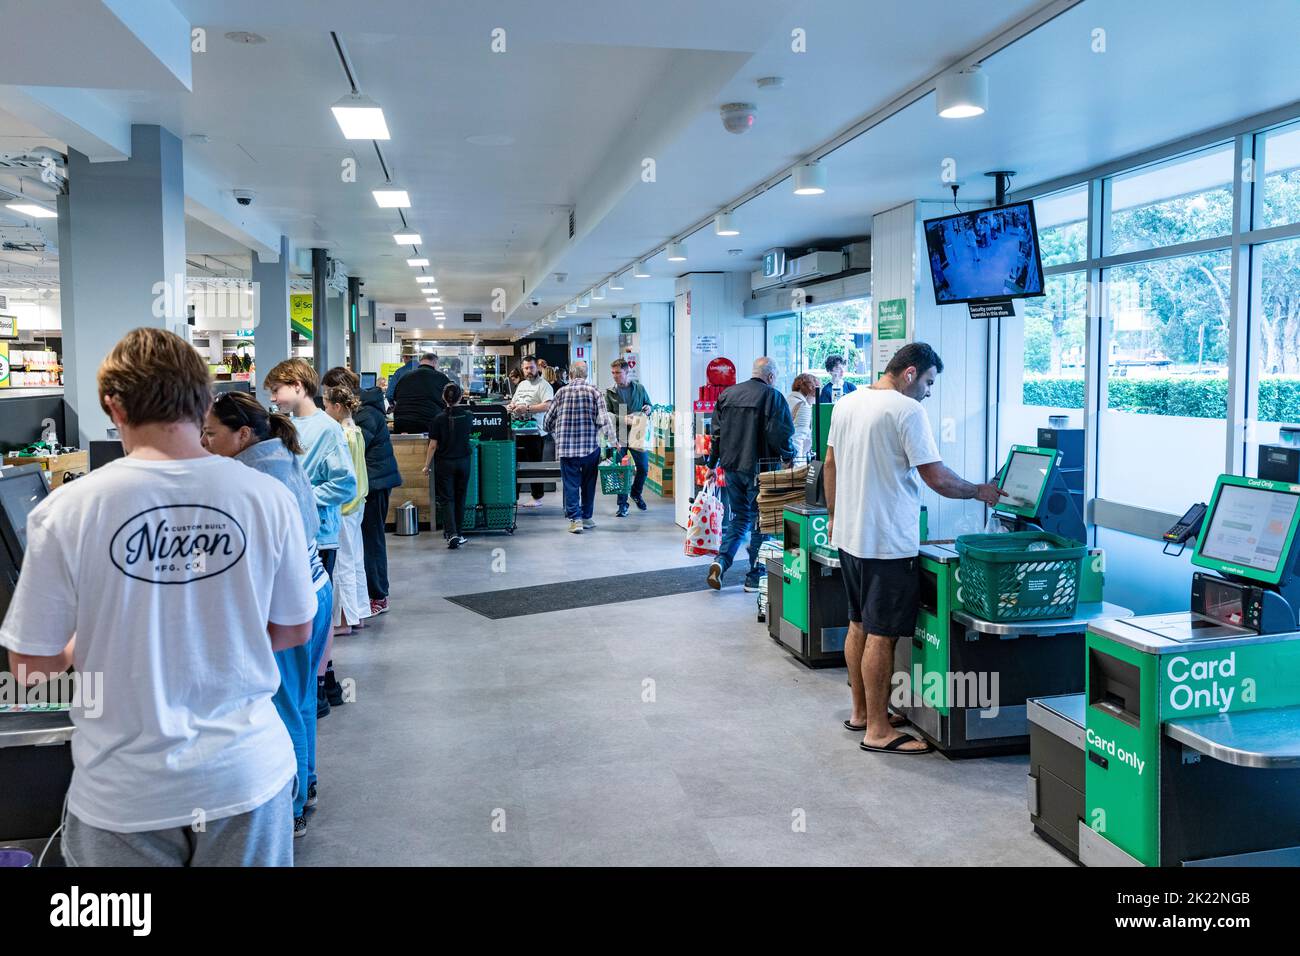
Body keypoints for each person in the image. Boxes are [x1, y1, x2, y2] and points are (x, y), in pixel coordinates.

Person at [0, 328, 316, 866]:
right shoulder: (265, 497)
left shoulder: (65, 511)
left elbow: (31, 669)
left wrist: (94, 643)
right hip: (242, 777)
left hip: (124, 794)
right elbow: (294, 629)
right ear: (203, 400)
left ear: (112, 406)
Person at [823, 342, 1005, 756]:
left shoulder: (847, 402)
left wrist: (835, 516)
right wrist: (981, 491)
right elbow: (937, 478)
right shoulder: (907, 411)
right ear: (909, 373)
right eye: (928, 382)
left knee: (858, 625)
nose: (928, 392)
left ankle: (862, 713)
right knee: (882, 636)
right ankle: (879, 731)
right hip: (886, 543)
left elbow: (830, 465)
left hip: (850, 536)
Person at [202, 391, 333, 839]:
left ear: (242, 434)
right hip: (317, 588)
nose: (204, 442)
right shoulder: (281, 456)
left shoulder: (251, 475)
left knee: (284, 706)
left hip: (291, 600)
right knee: (301, 699)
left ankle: (293, 804)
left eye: (210, 433)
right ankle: (308, 785)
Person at [263, 359, 357, 715]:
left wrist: (300, 495)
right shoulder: (285, 426)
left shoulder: (327, 429)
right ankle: (325, 680)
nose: (274, 398)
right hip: (293, 534)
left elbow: (344, 483)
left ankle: (317, 685)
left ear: (299, 386)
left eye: (278, 390)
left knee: (314, 611)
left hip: (321, 535)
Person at [705, 356, 796, 593]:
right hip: (761, 469)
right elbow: (780, 434)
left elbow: (716, 434)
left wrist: (712, 465)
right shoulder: (772, 396)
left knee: (740, 517)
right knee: (760, 521)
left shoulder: (727, 395)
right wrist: (789, 456)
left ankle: (721, 562)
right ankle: (754, 577)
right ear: (771, 376)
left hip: (732, 468)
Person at [324, 367, 401, 616]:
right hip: (371, 483)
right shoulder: (364, 410)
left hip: (374, 484)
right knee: (364, 542)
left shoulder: (364, 415)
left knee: (372, 539)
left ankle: (378, 595)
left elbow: (351, 451)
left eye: (328, 393)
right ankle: (368, 596)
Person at [322, 384, 371, 636]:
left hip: (344, 506)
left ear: (338, 407)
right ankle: (359, 613)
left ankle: (343, 620)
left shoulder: (342, 435)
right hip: (359, 503)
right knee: (355, 561)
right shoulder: (357, 431)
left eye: (327, 405)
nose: (324, 409)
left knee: (341, 563)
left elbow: (342, 475)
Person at [543, 361, 613, 534]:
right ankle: (587, 517)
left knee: (571, 484)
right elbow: (604, 419)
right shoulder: (594, 391)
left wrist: (554, 432)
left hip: (567, 449)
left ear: (571, 375)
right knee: (589, 483)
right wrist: (614, 441)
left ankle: (576, 520)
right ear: (586, 375)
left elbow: (547, 421)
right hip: (590, 447)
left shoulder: (561, 392)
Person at [422, 382, 474, 549]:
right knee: (460, 498)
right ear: (461, 397)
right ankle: (458, 533)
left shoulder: (438, 419)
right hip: (464, 462)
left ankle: (451, 534)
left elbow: (432, 445)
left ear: (443, 398)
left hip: (445, 463)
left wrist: (426, 465)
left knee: (447, 499)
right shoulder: (468, 416)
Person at [604, 358, 652, 518]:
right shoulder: (610, 392)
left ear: (626, 372)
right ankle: (622, 505)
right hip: (620, 434)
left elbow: (648, 405)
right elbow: (606, 415)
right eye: (613, 373)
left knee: (643, 467)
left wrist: (648, 409)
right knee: (621, 470)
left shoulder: (639, 388)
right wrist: (622, 418)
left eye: (618, 373)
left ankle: (636, 493)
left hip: (637, 433)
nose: (615, 376)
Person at [509, 355, 554, 508]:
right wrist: (511, 406)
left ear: (537, 368)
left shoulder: (544, 385)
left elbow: (547, 406)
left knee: (535, 466)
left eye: (531, 367)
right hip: (518, 431)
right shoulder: (521, 385)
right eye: (526, 368)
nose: (529, 370)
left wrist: (527, 408)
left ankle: (537, 497)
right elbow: (514, 401)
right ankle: (513, 498)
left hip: (535, 432)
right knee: (516, 465)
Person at [392, 352, 451, 435]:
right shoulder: (441, 377)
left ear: (421, 362)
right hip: (427, 423)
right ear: (435, 363)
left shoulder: (405, 377)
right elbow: (449, 401)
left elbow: (394, 396)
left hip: (401, 423)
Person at [788, 373, 819, 460]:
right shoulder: (803, 406)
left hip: (785, 456)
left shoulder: (789, 399)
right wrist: (798, 464)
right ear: (811, 390)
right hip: (795, 458)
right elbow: (798, 438)